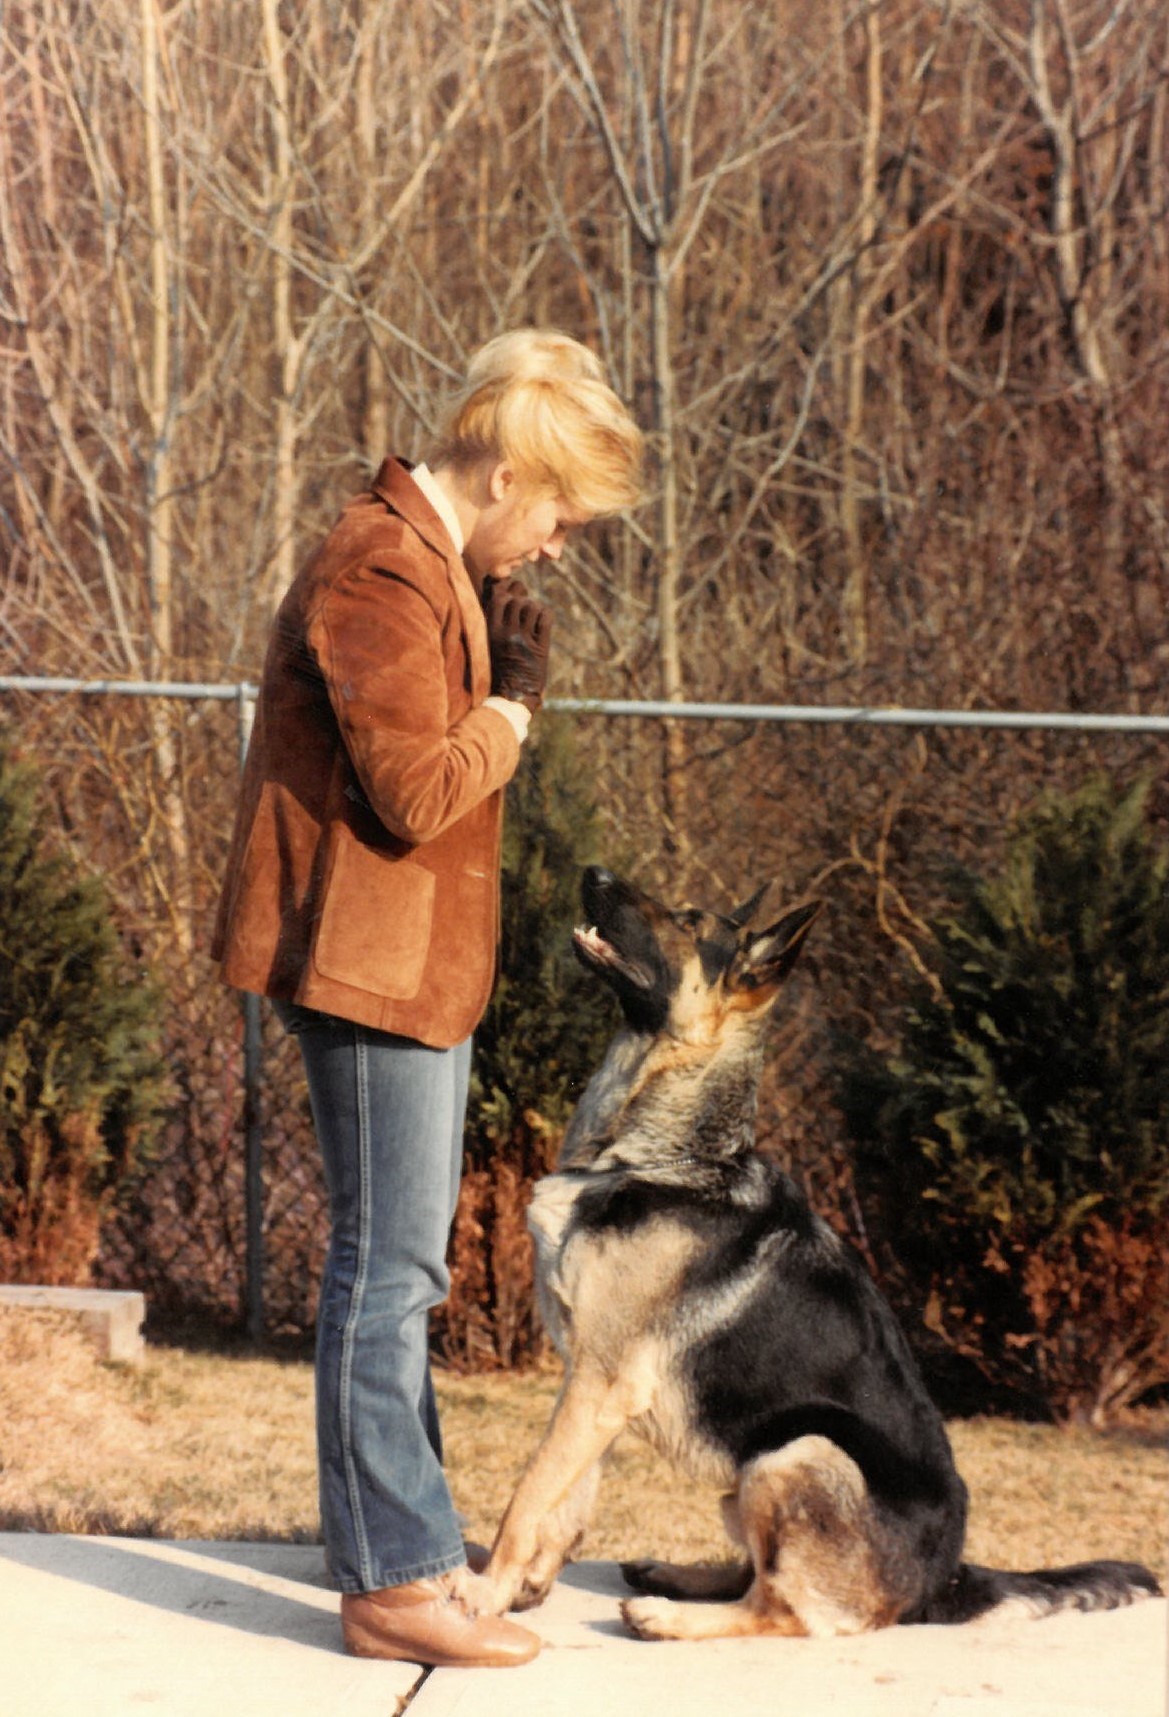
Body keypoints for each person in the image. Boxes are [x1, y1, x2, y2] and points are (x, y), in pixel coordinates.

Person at [211, 329, 643, 1668]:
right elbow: (414, 791)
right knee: (383, 1268)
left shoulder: (432, 563)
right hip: (364, 966)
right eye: (560, 511)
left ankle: (403, 1538)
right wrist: (512, 708)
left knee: (401, 1263)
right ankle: (389, 1579)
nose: (559, 542)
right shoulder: (381, 565)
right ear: (508, 472)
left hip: (413, 968)